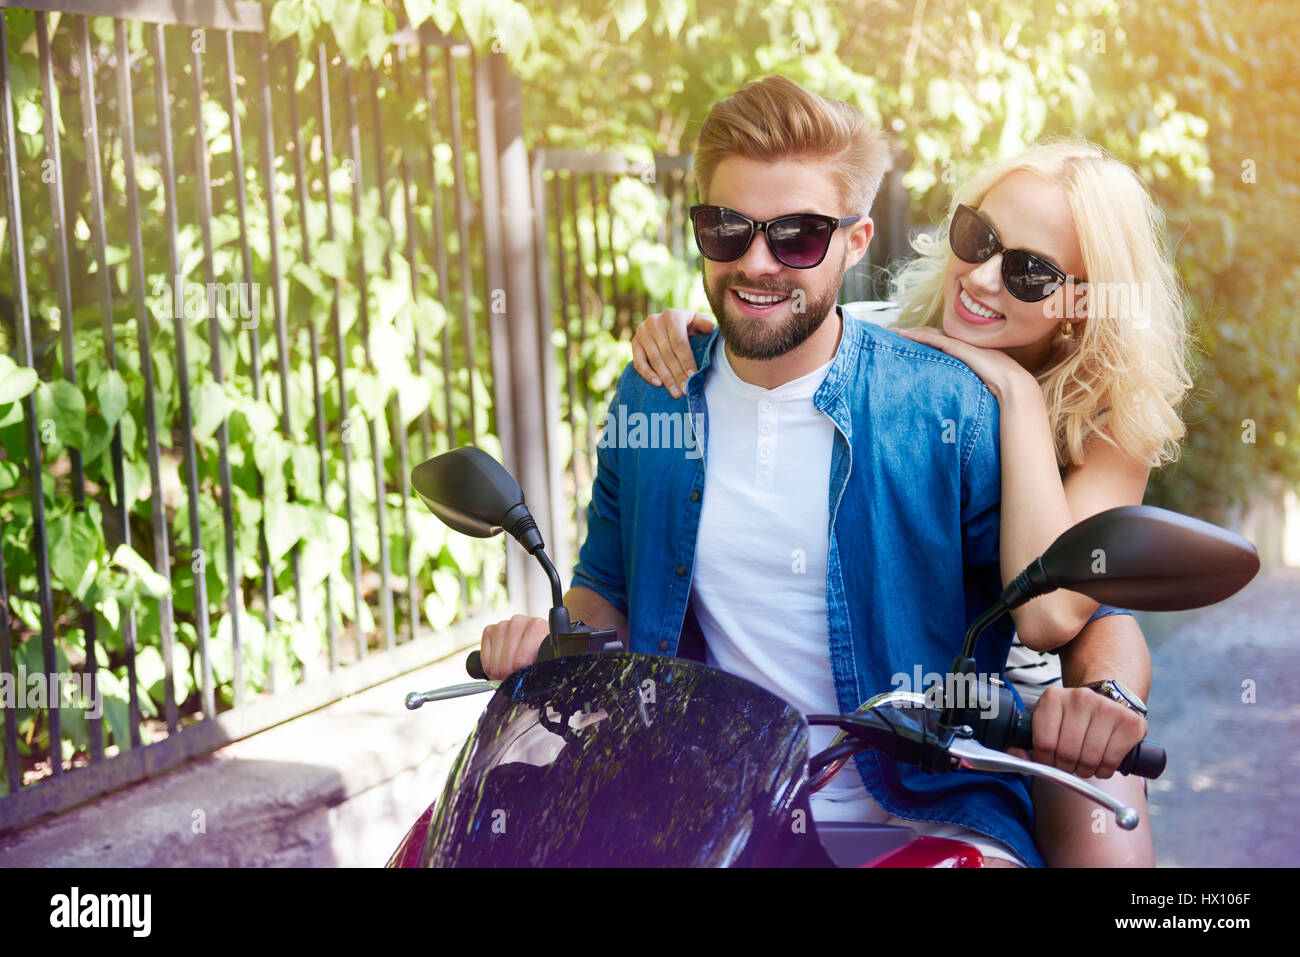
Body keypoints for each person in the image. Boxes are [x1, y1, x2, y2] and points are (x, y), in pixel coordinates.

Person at [629, 138, 1193, 866]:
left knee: (1110, 848)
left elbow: (1056, 614)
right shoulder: (880, 336)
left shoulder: (1109, 423)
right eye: (977, 238)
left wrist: (1014, 394)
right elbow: (769, 320)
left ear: (1082, 300)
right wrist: (679, 326)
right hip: (895, 696)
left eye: (1027, 271)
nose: (983, 278)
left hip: (1029, 702)